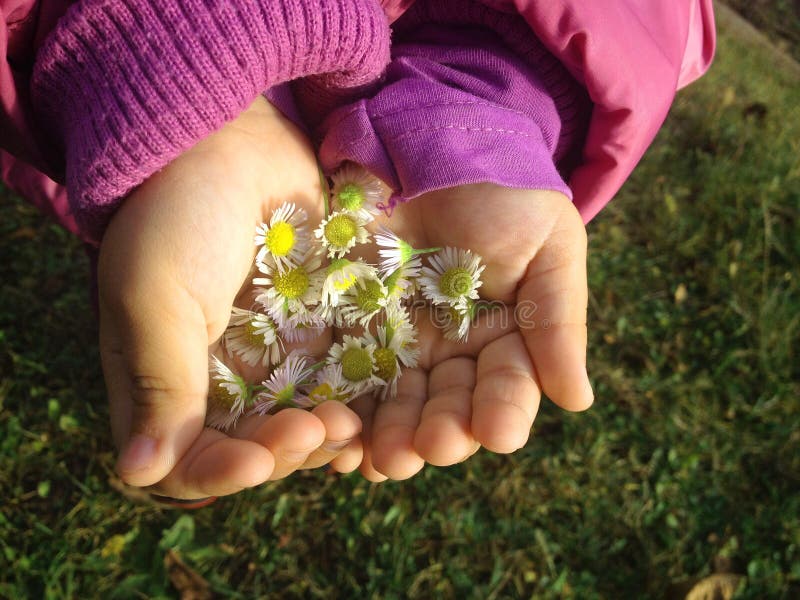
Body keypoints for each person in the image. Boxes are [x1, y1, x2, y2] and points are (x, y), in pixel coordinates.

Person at [1, 0, 716, 502]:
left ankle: (182, 372)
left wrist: (491, 107)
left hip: (235, 134)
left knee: (182, 297)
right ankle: (166, 352)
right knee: (168, 269)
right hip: (130, 92)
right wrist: (172, 56)